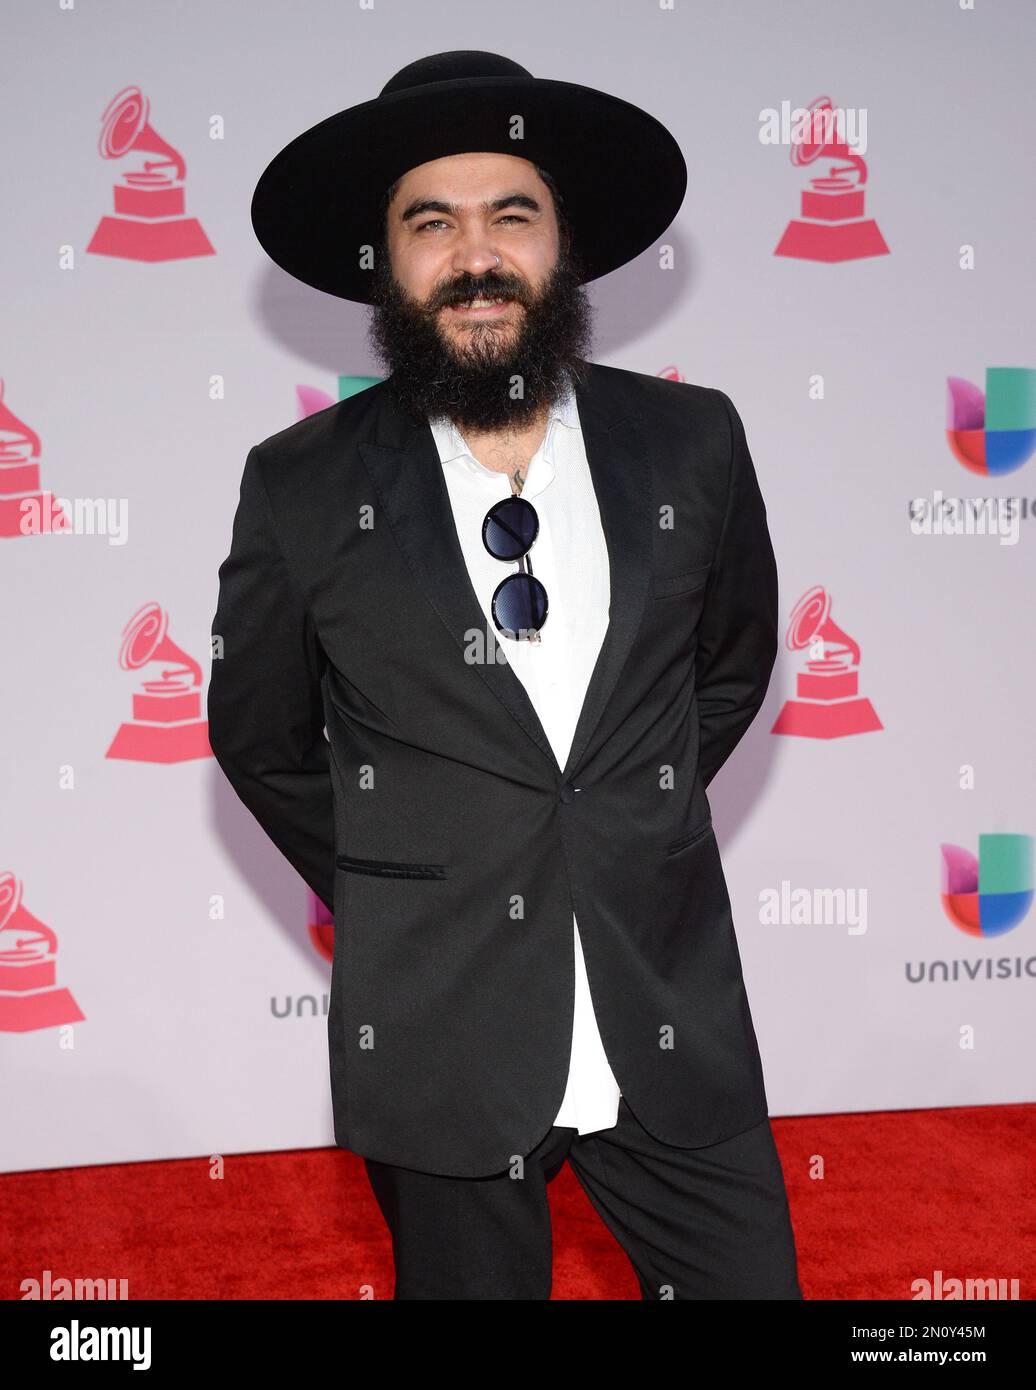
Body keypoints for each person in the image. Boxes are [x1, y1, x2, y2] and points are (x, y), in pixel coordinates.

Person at [210, 49, 802, 1300]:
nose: (475, 256)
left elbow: (731, 665)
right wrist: (414, 869)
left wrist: (623, 815)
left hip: (667, 1004)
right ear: (384, 260)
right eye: (431, 223)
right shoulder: (300, 482)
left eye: (511, 216)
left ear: (562, 243)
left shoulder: (692, 440)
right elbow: (260, 736)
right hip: (442, 1024)